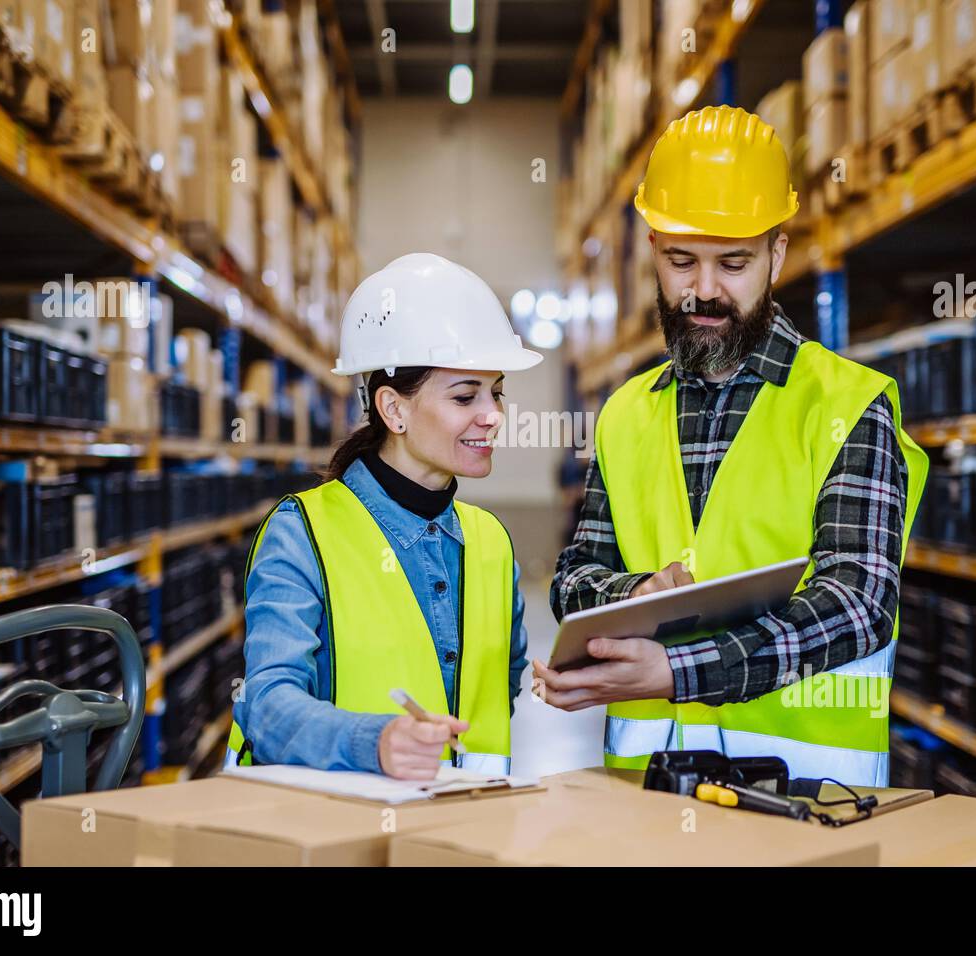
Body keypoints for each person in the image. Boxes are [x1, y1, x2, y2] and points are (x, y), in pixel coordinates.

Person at [534, 105, 929, 786]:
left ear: (778, 252)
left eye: (734, 263)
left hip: (809, 805)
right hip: (647, 799)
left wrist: (677, 670)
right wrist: (637, 596)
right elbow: (574, 578)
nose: (705, 290)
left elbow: (859, 603)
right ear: (652, 247)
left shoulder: (846, 406)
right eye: (681, 261)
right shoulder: (626, 413)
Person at [227, 253, 542, 779]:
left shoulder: (492, 541)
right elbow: (266, 704)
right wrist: (373, 743)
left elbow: (500, 684)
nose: (492, 415)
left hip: (461, 837)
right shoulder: (302, 533)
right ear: (393, 409)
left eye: (497, 392)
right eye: (466, 396)